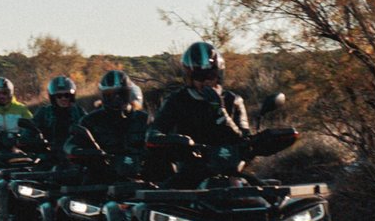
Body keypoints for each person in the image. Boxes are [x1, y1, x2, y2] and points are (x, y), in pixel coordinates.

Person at [146, 42, 250, 187]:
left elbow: (245, 140)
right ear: (190, 77)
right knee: (156, 201)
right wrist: (177, 141)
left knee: (261, 200)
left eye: (211, 75)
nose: (207, 81)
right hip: (191, 171)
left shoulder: (233, 101)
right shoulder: (176, 100)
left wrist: (220, 112)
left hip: (230, 171)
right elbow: (153, 133)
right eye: (200, 76)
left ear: (218, 75)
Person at [65, 70, 149, 167]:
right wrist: (79, 151)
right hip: (103, 174)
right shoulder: (90, 120)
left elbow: (155, 135)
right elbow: (70, 144)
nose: (117, 98)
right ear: (104, 95)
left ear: (129, 93)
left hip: (142, 172)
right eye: (111, 94)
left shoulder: (143, 118)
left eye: (122, 93)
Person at [31, 75, 85, 157]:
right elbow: (30, 129)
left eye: (67, 95)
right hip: (49, 156)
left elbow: (91, 129)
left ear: (72, 96)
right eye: (59, 96)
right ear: (53, 98)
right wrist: (36, 140)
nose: (63, 98)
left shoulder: (79, 112)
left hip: (75, 156)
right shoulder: (44, 113)